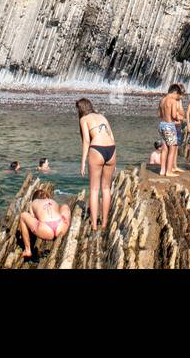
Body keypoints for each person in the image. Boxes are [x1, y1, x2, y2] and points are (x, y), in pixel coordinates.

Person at [77, 98, 117, 231]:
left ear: (80, 109)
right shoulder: (102, 116)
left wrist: (83, 161)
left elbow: (86, 141)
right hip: (111, 149)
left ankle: (94, 225)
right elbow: (111, 136)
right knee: (106, 188)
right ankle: (104, 224)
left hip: (97, 149)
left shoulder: (84, 119)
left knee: (94, 190)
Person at [17, 183, 71, 259]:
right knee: (65, 206)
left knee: (23, 215)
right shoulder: (52, 201)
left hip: (46, 230)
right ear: (47, 197)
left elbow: (33, 218)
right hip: (61, 227)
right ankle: (61, 236)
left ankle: (27, 250)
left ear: (35, 198)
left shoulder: (33, 203)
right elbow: (59, 212)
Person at [157, 83, 185, 176]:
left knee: (165, 149)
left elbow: (160, 115)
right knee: (172, 149)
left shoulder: (162, 100)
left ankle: (162, 170)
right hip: (169, 126)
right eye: (178, 94)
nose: (178, 97)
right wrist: (179, 117)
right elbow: (173, 115)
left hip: (161, 125)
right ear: (175, 92)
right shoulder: (172, 101)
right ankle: (168, 171)